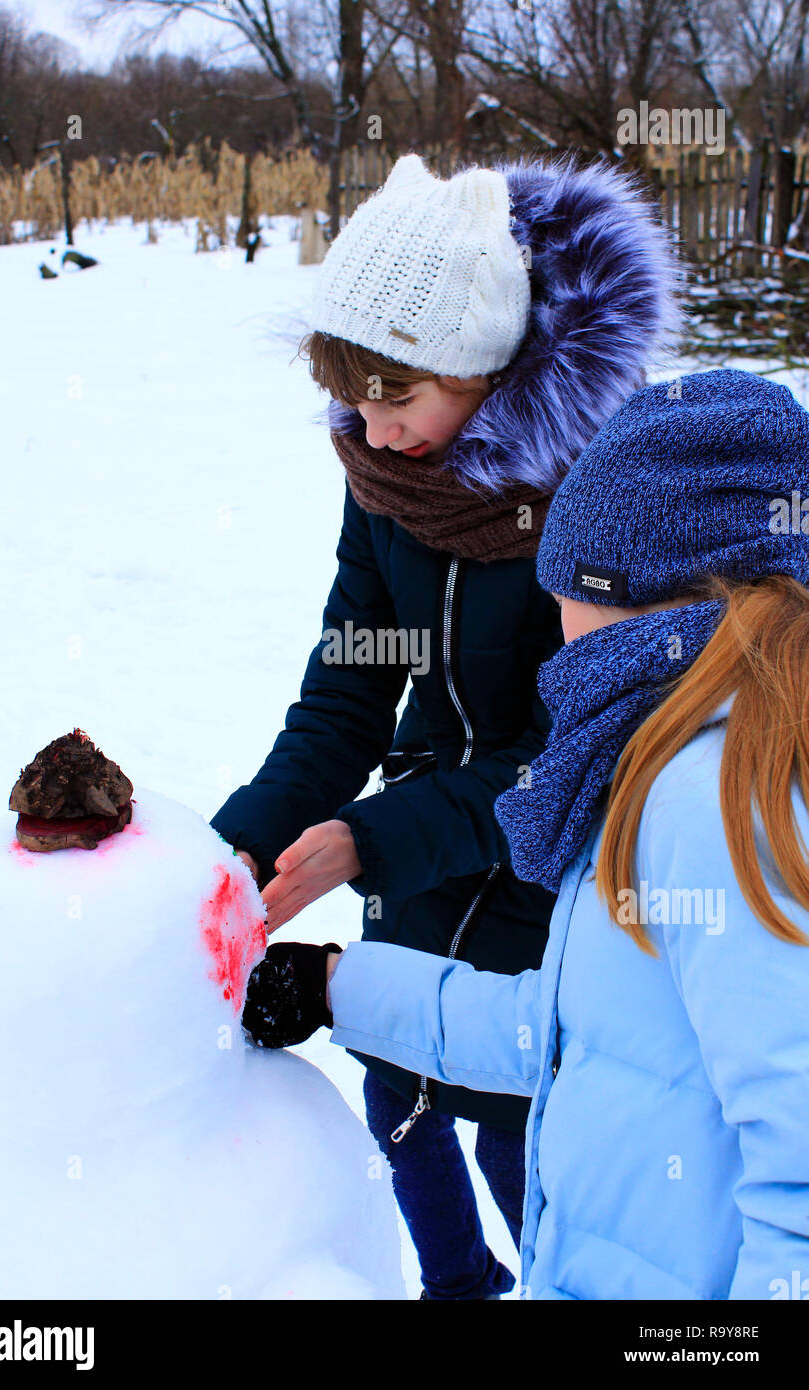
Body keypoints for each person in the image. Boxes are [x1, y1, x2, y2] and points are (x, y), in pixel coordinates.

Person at [213, 150, 681, 1299]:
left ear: (479, 367)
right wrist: (241, 842)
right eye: (350, 395)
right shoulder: (384, 476)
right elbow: (350, 681)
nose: (368, 433)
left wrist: (370, 838)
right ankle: (456, 1286)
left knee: (516, 1105)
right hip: (427, 818)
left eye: (394, 395)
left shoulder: (600, 483)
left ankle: (559, 1283)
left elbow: (587, 745)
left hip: (562, 839)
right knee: (397, 1082)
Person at [244, 367, 809, 1300]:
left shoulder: (720, 800)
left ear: (649, 601)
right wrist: (341, 986)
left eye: (567, 591)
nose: (556, 625)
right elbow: (567, 1032)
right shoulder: (654, 768)